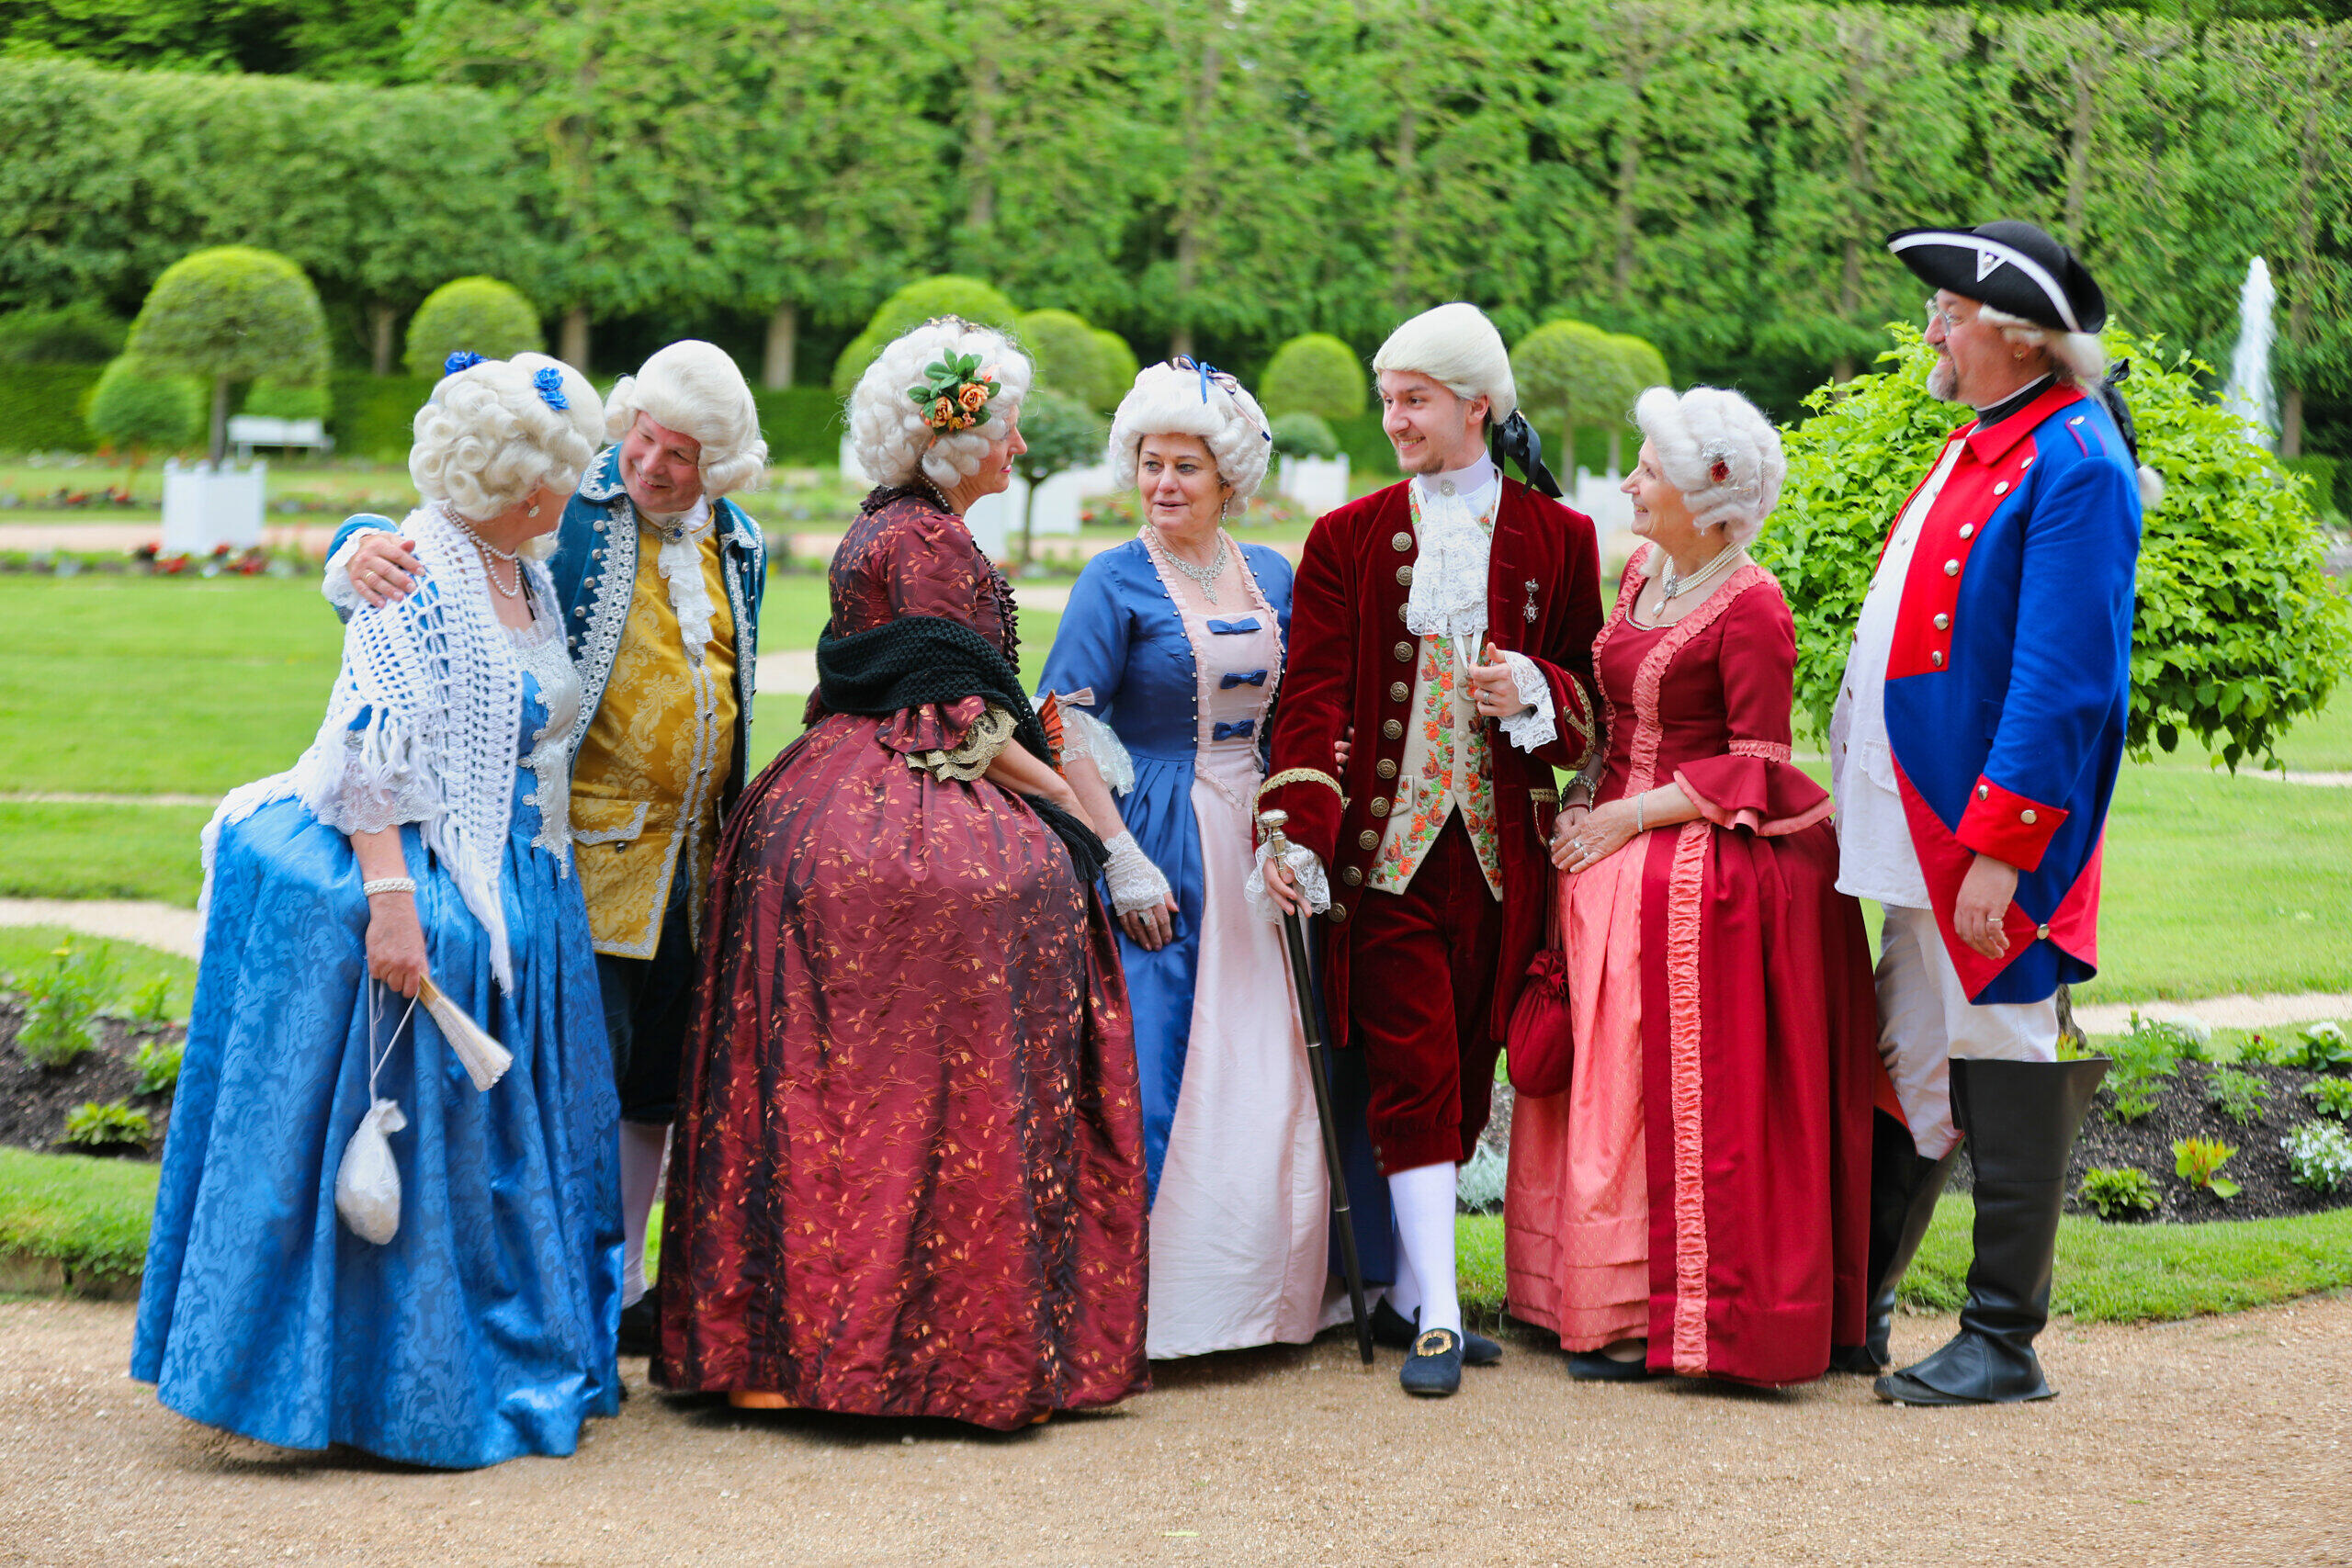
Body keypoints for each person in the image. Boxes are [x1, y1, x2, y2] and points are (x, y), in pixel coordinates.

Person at [655, 317, 1149, 1427]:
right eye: (1007, 430)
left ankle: (795, 1343)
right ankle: (928, 1350)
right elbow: (950, 712)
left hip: (817, 806)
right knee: (923, 1079)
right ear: (961, 440)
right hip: (904, 818)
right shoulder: (931, 542)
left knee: (831, 1082)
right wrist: (1085, 819)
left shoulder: (886, 521)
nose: (1017, 448)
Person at [132, 357, 621, 1469]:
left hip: (521, 877)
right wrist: (394, 906)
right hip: (422, 868)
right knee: (394, 1134)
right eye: (562, 475)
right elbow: (369, 753)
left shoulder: (527, 569)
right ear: (523, 485)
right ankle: (374, 1391)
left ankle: (499, 1357)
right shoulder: (416, 577)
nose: (575, 493)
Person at [325, 341, 770, 1355]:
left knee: (657, 1085)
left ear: (724, 468)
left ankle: (622, 1287)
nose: (654, 466)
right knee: (578, 1085)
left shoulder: (738, 540)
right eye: (646, 441)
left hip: (693, 870)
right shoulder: (567, 499)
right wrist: (352, 548)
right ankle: (561, 1284)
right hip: (573, 860)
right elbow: (440, 524)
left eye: (683, 456)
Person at [1259, 302, 1603, 1397]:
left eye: (1413, 399)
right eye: (1388, 399)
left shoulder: (1563, 539)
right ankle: (1443, 1317)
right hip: (1384, 857)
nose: (1394, 418)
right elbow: (1308, 701)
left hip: (1503, 855)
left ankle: (1414, 1288)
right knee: (1413, 1061)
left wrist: (1540, 693)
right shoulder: (1345, 539)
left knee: (1465, 1065)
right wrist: (1298, 831)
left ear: (1477, 407)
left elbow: (1595, 701)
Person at [1502, 387, 1878, 1385]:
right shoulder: (1638, 572)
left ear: (1708, 498)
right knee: (1581, 1059)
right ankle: (1576, 1292)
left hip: (1693, 849)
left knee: (1646, 1069)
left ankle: (1647, 1310)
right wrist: (1571, 779)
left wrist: (1623, 819)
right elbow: (1613, 713)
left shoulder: (1753, 606)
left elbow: (1758, 759)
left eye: (1649, 471)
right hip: (1603, 838)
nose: (1629, 481)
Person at [1832, 220, 2146, 1405]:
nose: (1932, 331)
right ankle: (1851, 1305)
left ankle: (2005, 1336)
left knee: (2005, 1045)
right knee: (1908, 1053)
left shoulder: (2075, 460)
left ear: (2016, 337)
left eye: (1950, 316)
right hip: (1918, 815)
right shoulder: (1993, 441)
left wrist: (2006, 850)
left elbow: (2068, 679)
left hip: (1980, 835)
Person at [1037, 357, 1356, 1359]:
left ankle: (1265, 1302)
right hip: (1160, 837)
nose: (1163, 483)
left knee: (1270, 1064)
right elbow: (1066, 724)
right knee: (1168, 1058)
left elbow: (1305, 712)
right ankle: (1158, 1309)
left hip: (1256, 839)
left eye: (1185, 466)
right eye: (1149, 463)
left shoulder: (1270, 573)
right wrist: (1118, 856)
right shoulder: (1112, 578)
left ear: (1228, 481)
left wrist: (1301, 827)